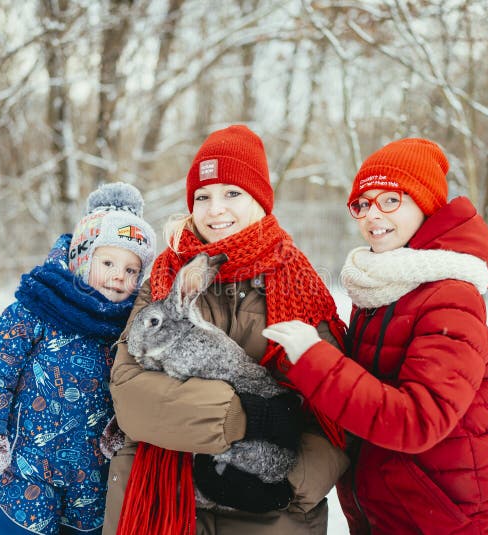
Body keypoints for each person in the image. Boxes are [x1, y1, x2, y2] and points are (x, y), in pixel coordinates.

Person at [103, 124, 350, 535]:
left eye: (232, 193)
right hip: (162, 500)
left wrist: (289, 487)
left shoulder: (302, 286)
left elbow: (338, 410)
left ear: (259, 200)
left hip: (268, 510)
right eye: (203, 197)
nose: (215, 209)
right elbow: (131, 395)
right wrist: (245, 416)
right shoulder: (165, 279)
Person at [263, 138, 488, 534]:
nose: (371, 215)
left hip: (444, 520)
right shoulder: (384, 285)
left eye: (390, 200)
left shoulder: (449, 297)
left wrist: (314, 359)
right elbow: (366, 390)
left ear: (426, 204)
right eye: (362, 203)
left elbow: (417, 421)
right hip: (391, 512)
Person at [0, 182, 156, 535]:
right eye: (109, 262)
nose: (118, 275)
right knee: (21, 526)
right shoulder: (40, 305)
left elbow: (135, 385)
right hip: (29, 462)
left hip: (92, 470)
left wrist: (123, 428)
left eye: (131, 270)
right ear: (82, 259)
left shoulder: (130, 326)